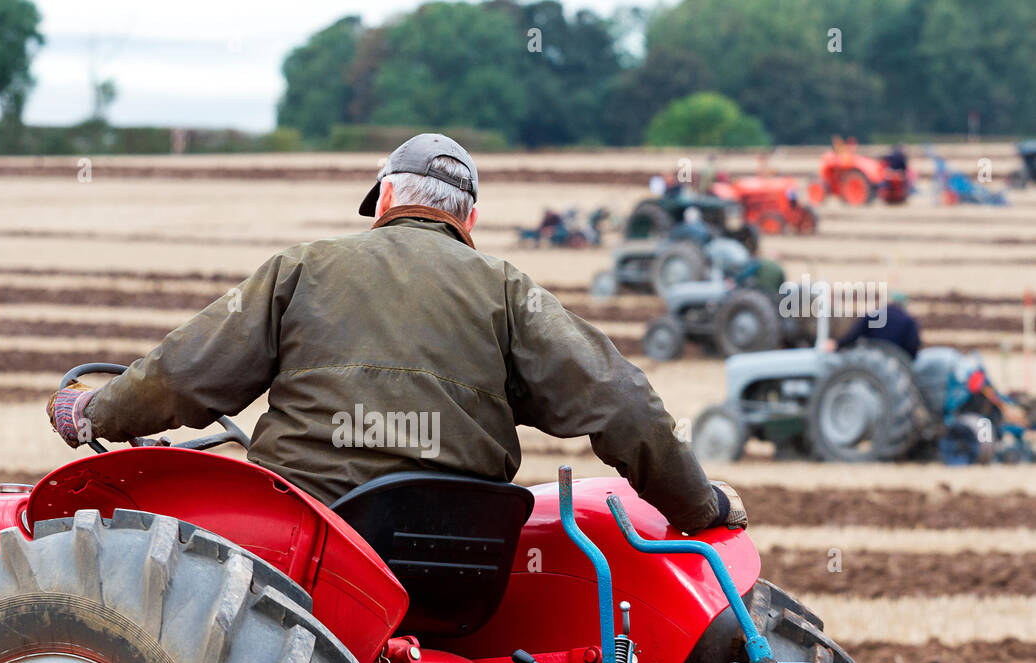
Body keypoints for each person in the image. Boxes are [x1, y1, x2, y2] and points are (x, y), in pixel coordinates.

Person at [47, 133, 745, 533]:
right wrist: (700, 507)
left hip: (311, 548)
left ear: (382, 201)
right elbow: (623, 402)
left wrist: (96, 411)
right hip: (461, 567)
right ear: (467, 221)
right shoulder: (506, 290)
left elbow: (182, 376)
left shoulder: (305, 269)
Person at [825, 292, 922, 359]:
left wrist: (837, 345)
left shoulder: (875, 315)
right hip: (896, 361)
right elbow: (913, 345)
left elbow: (854, 334)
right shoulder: (908, 321)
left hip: (871, 358)